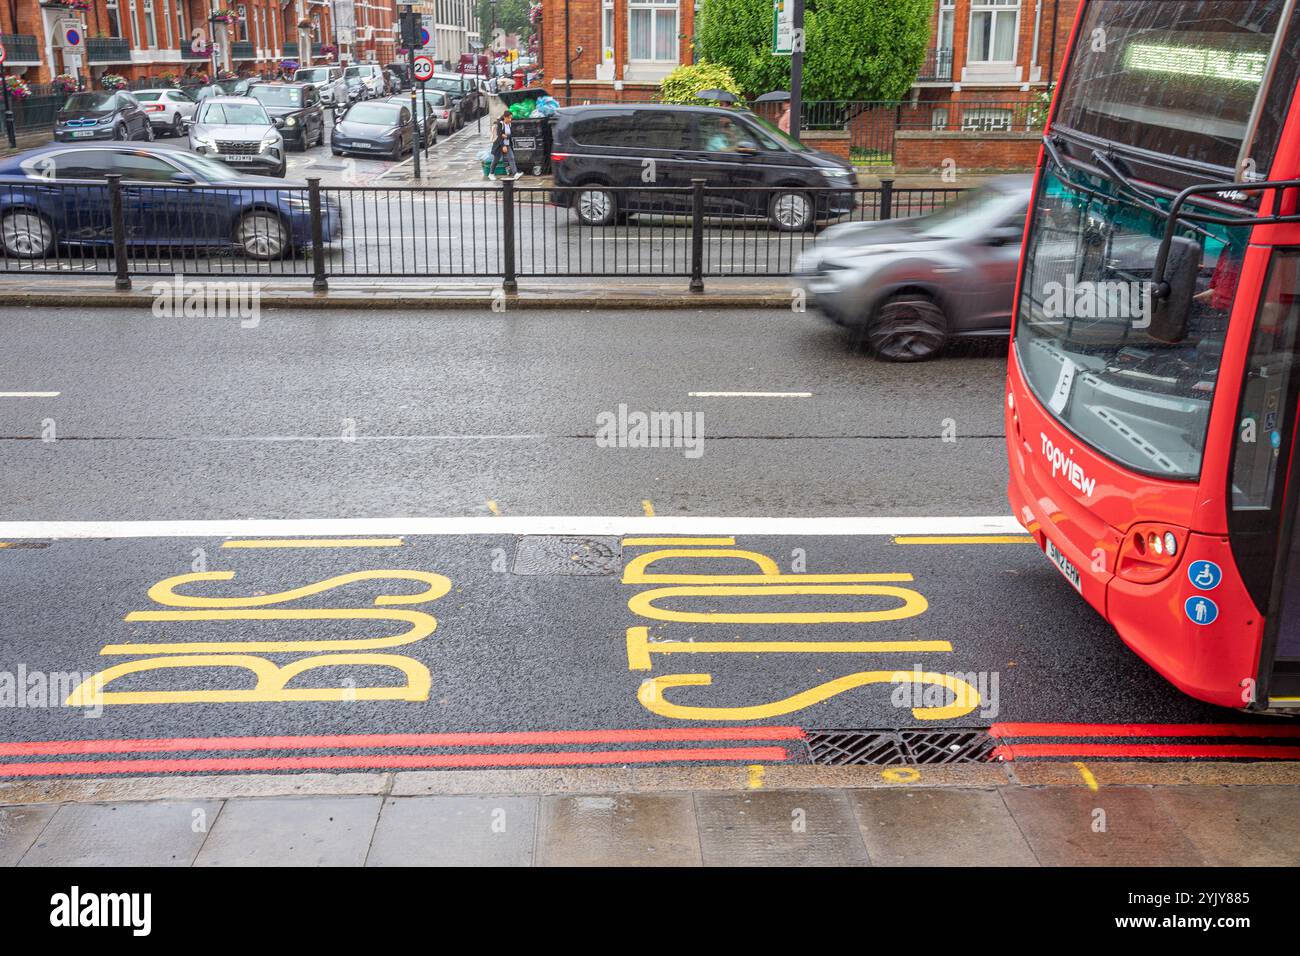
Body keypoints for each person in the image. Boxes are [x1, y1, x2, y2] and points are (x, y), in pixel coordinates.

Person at [489, 111, 518, 180]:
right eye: (509, 118)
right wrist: (503, 146)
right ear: (505, 117)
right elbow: (499, 136)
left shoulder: (510, 124)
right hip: (500, 145)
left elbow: (512, 133)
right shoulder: (500, 124)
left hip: (507, 144)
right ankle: (491, 173)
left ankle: (515, 173)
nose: (510, 120)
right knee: (496, 160)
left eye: (511, 118)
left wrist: (506, 136)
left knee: (511, 158)